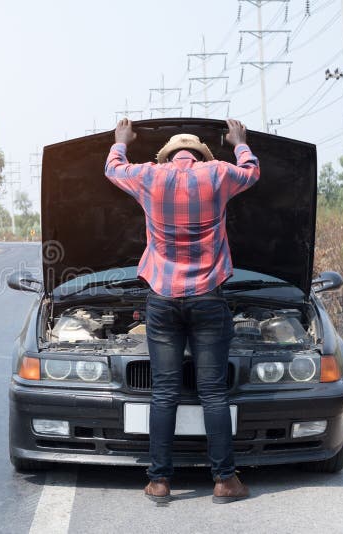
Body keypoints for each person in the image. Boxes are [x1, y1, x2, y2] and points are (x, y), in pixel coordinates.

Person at [104, 118, 260, 504]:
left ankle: (159, 481)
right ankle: (225, 481)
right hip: (209, 296)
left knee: (165, 392)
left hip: (162, 297)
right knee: (212, 392)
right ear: (201, 155)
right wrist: (239, 142)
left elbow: (111, 168)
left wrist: (121, 141)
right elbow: (252, 172)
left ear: (168, 156)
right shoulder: (219, 174)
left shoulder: (149, 177)